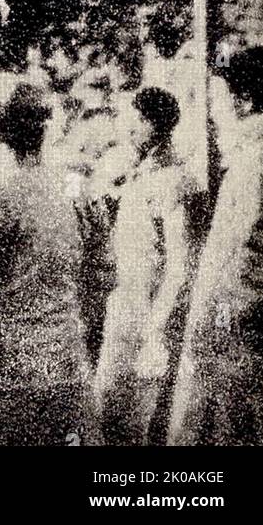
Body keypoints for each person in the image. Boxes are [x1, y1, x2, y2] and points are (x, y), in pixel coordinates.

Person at [0, 83, 98, 445]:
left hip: (4, 371)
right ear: (44, 131)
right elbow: (101, 272)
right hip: (66, 361)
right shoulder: (77, 191)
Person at [171, 45, 263, 444]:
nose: (213, 115)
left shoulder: (252, 164)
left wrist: (203, 328)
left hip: (239, 327)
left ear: (243, 102)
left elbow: (225, 259)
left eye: (219, 102)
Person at [95, 87, 201, 444]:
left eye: (138, 120)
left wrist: (154, 329)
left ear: (154, 125)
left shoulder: (172, 181)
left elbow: (179, 266)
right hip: (124, 308)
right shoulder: (137, 174)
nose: (130, 128)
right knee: (107, 416)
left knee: (137, 426)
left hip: (148, 318)